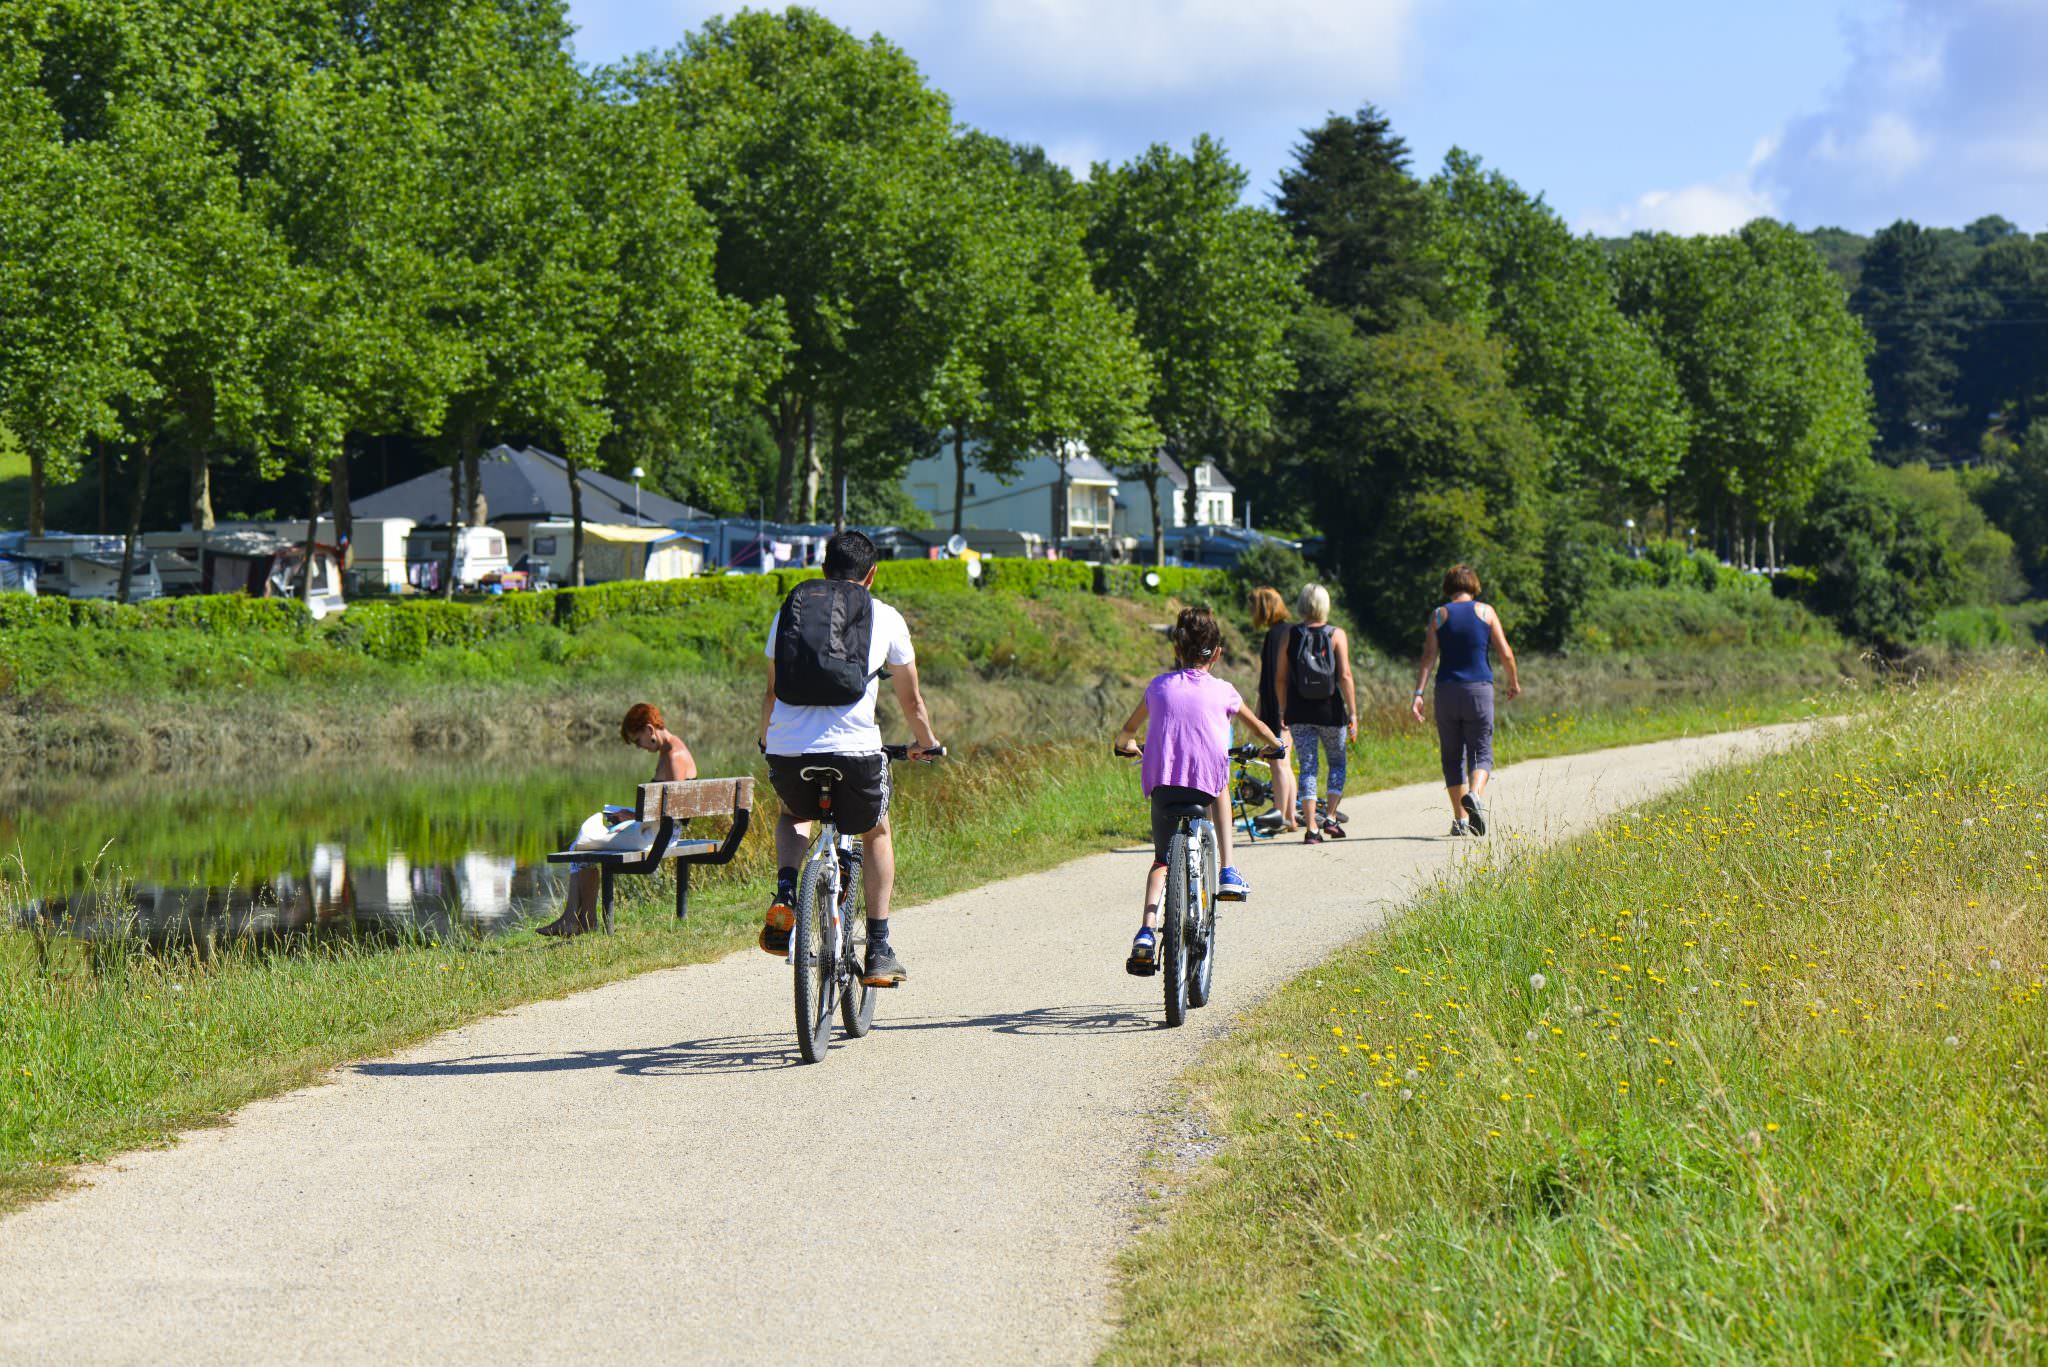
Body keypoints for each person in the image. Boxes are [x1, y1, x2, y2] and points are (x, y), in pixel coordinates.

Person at [759, 530, 941, 987]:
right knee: (876, 831)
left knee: (792, 814)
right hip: (856, 751)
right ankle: (878, 947)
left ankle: (786, 892)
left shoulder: (790, 611)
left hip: (788, 749)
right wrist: (928, 743)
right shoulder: (887, 617)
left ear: (823, 569)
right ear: (872, 573)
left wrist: (767, 742)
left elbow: (771, 689)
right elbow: (912, 701)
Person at [1112, 606, 1287, 975]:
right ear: (1218, 652)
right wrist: (1276, 745)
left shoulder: (1158, 687)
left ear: (1176, 650)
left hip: (1163, 790)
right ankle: (1228, 870)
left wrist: (1128, 745)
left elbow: (1125, 735)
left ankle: (1145, 932)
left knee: (1161, 861)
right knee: (1221, 782)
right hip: (1206, 790)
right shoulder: (1224, 691)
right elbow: (1258, 728)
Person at [538, 703, 697, 938]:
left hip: (660, 836)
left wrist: (632, 816)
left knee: (581, 844)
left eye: (637, 740)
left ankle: (578, 920)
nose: (639, 747)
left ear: (650, 729)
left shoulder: (673, 757)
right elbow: (667, 807)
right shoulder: (672, 750)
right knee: (582, 844)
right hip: (658, 832)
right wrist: (631, 815)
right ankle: (576, 919)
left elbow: (672, 812)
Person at [1410, 563, 1521, 836]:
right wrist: (1513, 681)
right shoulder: (1486, 612)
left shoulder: (1439, 615)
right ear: (1474, 585)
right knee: (1481, 751)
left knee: (1451, 756)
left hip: (1446, 690)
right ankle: (1475, 795)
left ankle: (1460, 820)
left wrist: (1418, 693)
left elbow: (1428, 658)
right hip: (1479, 690)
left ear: (1448, 586)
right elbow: (1505, 653)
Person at [1272, 583, 1356, 845]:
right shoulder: (1336, 634)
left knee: (1308, 767)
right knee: (1337, 763)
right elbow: (1344, 675)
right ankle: (1330, 817)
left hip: (1299, 711)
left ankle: (1311, 829)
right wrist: (1353, 713)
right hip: (1331, 711)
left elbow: (1280, 677)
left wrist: (1283, 708)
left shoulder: (1291, 634)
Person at [1247, 586, 1299, 832]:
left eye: (1253, 606)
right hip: (1285, 707)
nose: (1251, 611)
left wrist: (1269, 711)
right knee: (1284, 762)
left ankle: (1282, 817)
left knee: (1278, 763)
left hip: (1278, 708)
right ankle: (1289, 816)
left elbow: (1271, 678)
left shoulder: (1276, 634)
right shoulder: (1287, 631)